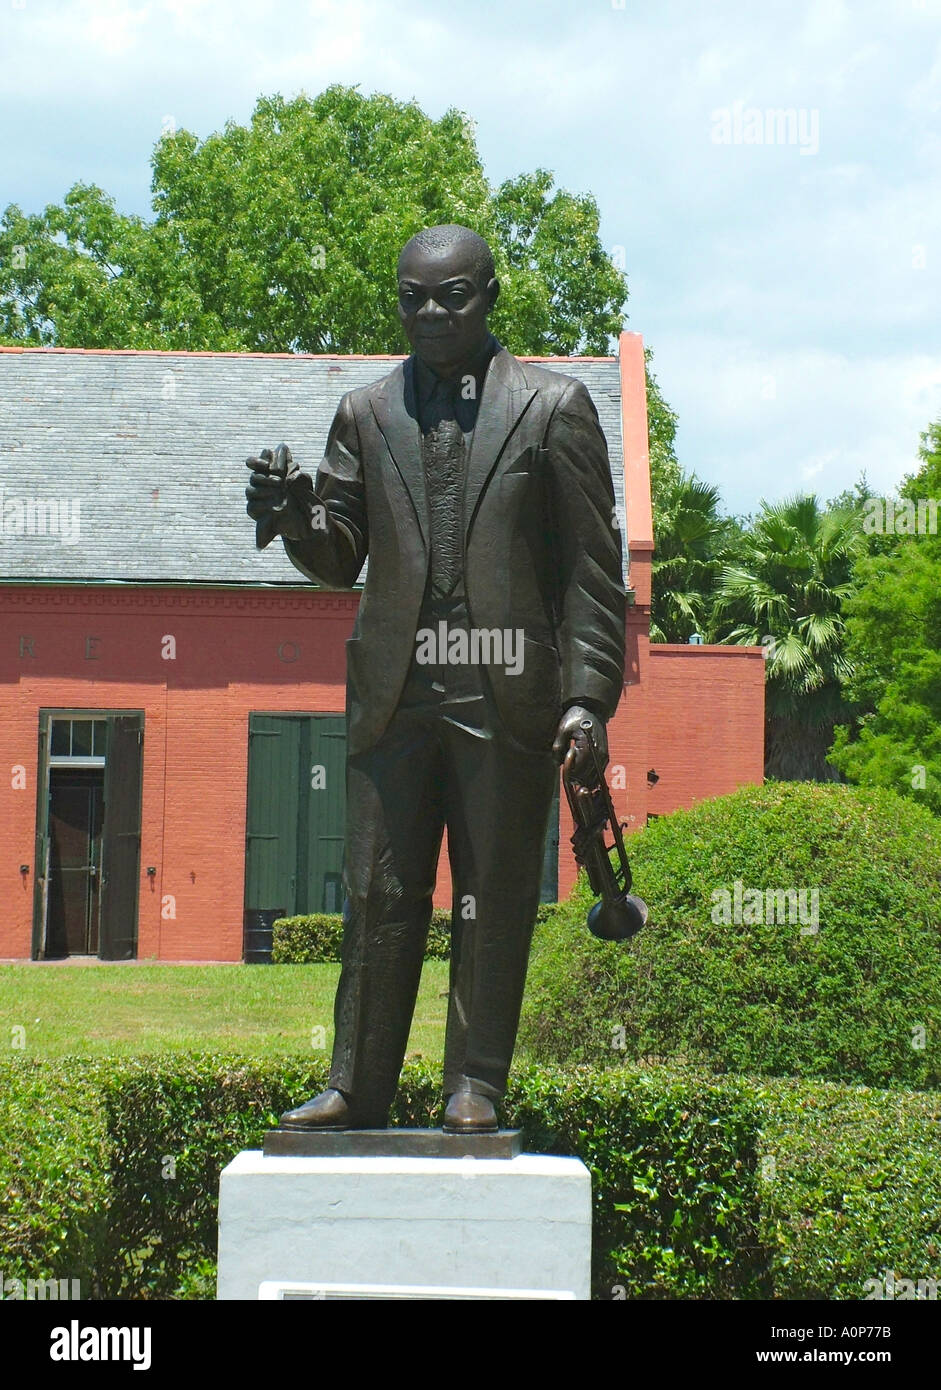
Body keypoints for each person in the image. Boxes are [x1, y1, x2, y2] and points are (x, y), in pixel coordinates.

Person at [245, 224, 625, 1132]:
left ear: (489, 295)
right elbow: (340, 557)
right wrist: (298, 517)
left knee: (492, 891)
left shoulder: (552, 407)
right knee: (379, 888)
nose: (430, 312)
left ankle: (474, 1086)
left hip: (506, 688)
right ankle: (355, 1085)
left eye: (450, 295)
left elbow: (590, 572)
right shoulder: (365, 414)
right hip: (397, 691)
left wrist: (586, 697)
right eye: (412, 297)